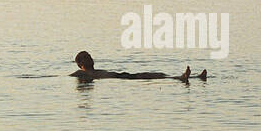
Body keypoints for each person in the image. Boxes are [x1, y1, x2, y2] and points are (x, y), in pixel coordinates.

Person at [70, 51, 206, 82]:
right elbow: (60, 76)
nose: (90, 59)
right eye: (86, 58)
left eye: (90, 56)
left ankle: (193, 77)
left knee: (155, 74)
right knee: (146, 76)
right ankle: (181, 78)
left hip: (121, 75)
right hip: (122, 79)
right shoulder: (80, 73)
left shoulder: (95, 71)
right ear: (80, 64)